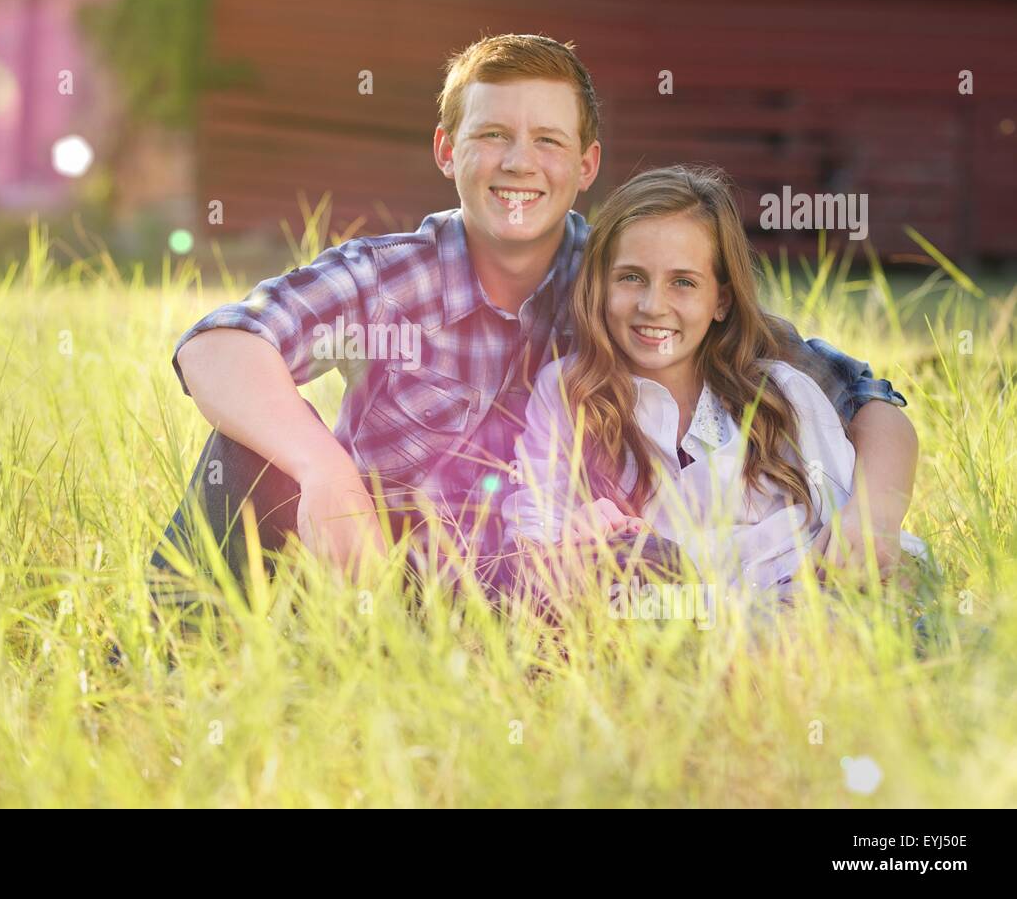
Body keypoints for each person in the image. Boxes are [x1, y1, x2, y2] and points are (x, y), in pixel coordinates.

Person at [154, 33, 917, 603]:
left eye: (548, 140)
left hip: (535, 586)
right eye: (492, 135)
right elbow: (220, 345)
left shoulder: (627, 289)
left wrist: (871, 521)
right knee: (247, 452)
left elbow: (863, 400)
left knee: (651, 565)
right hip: (372, 572)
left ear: (585, 167)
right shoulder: (389, 276)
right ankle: (167, 676)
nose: (520, 163)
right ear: (448, 150)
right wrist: (325, 470)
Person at [499, 165, 926, 607]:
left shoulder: (781, 388)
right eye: (631, 277)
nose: (652, 305)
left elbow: (851, 535)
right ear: (599, 284)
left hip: (791, 595)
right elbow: (534, 519)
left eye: (683, 282)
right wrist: (577, 529)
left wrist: (868, 526)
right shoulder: (571, 390)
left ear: (721, 300)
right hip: (660, 604)